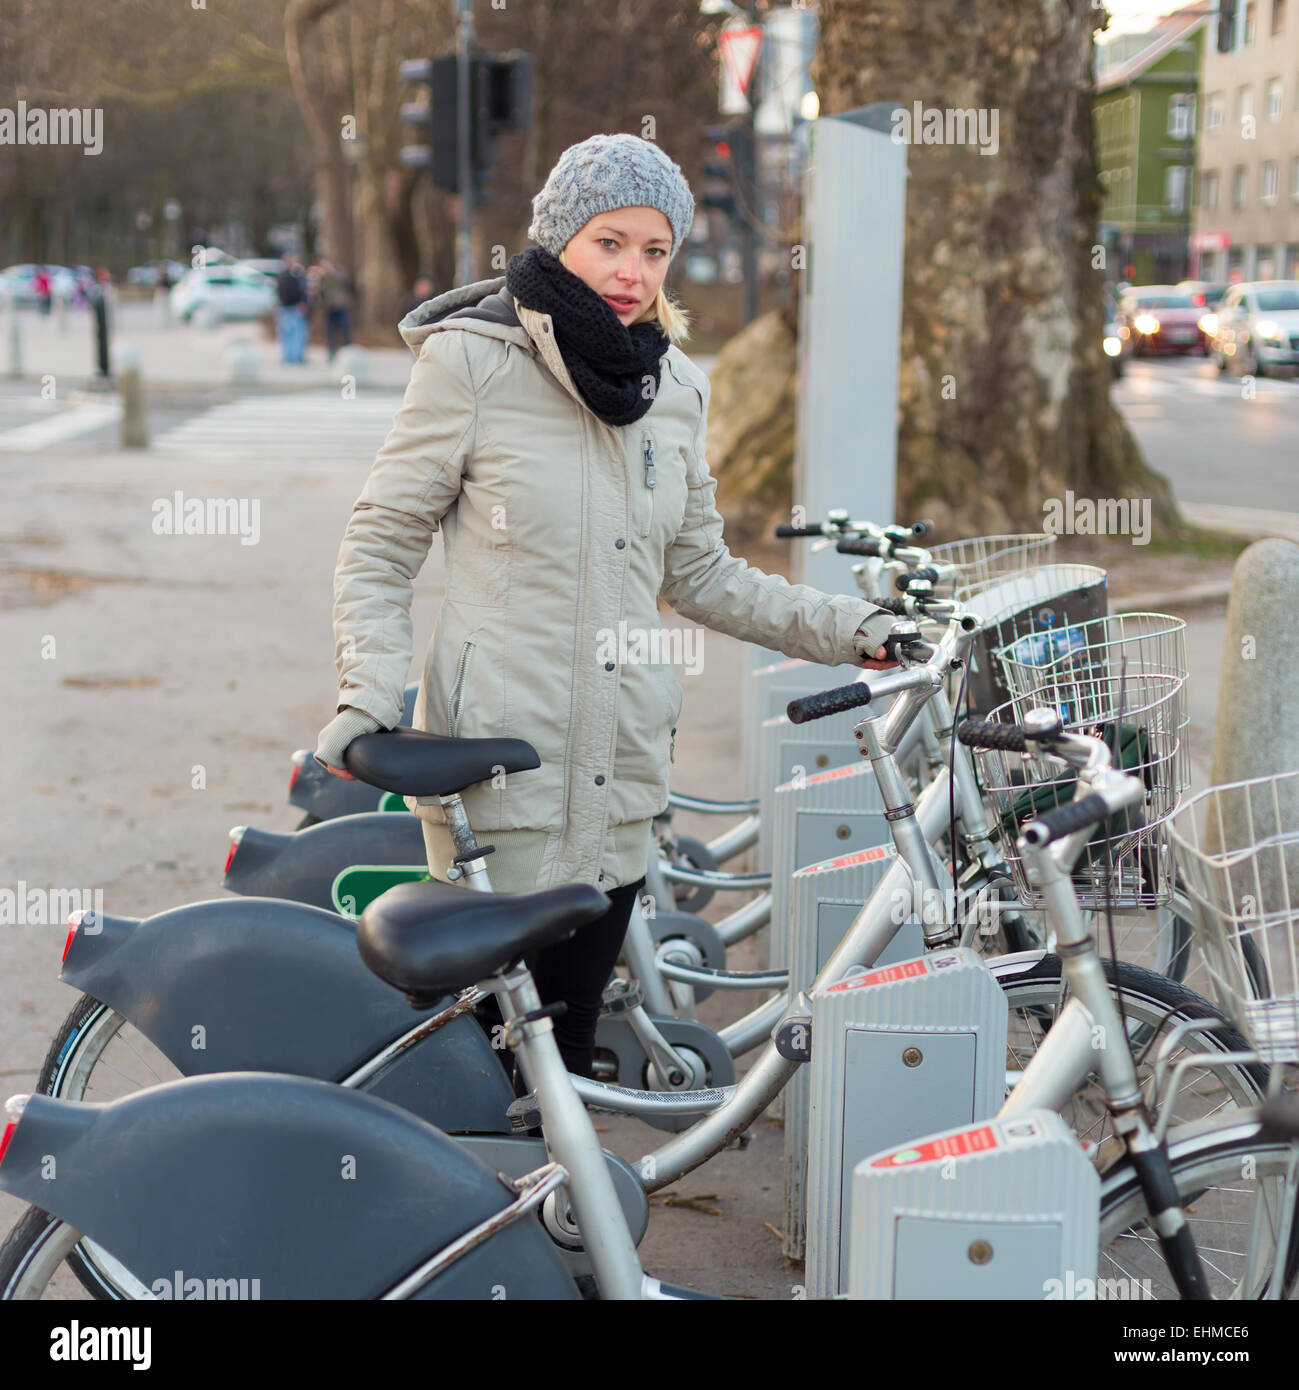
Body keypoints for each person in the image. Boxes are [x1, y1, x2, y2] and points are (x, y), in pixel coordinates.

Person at [312, 133, 898, 1078]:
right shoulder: (474, 363)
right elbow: (381, 543)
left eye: (654, 249)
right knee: (494, 1061)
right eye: (609, 243)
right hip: (505, 770)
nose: (632, 272)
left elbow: (701, 573)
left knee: (569, 1053)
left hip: (620, 774)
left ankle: (562, 1217)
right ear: (558, 241)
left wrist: (853, 630)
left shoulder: (673, 390)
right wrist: (369, 697)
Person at [317, 259, 354, 360]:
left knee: (344, 330)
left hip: (340, 306)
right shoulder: (323, 278)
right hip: (329, 308)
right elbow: (321, 293)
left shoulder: (338, 275)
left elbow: (347, 285)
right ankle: (332, 353)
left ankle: (348, 351)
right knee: (330, 332)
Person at [275, 256, 309, 364]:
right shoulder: (294, 277)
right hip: (293, 308)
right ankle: (296, 356)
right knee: (297, 333)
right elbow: (299, 292)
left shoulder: (280, 277)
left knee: (287, 334)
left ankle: (288, 357)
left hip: (284, 308)